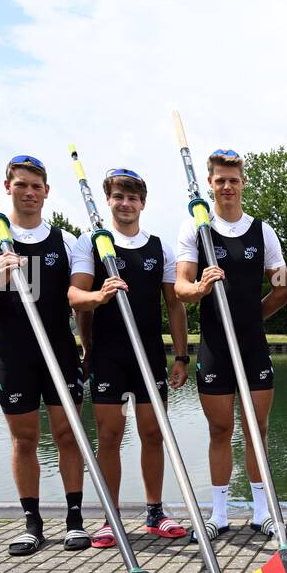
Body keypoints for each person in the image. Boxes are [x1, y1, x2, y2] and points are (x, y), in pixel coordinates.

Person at [0, 154, 89, 556]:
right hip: (14, 356)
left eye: (36, 186)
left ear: (47, 192)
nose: (29, 192)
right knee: (24, 439)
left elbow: (79, 301)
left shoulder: (67, 242)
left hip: (61, 353)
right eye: (21, 185)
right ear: (7, 188)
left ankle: (74, 519)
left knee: (68, 436)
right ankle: (32, 522)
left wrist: (89, 347)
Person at [69, 168, 188, 547]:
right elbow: (75, 299)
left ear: (143, 204)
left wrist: (181, 355)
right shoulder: (91, 243)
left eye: (132, 198)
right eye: (119, 197)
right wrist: (100, 296)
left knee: (154, 434)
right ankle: (111, 517)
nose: (125, 204)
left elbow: (175, 305)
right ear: (108, 201)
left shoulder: (160, 248)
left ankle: (155, 512)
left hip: (149, 355)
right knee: (109, 435)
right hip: (108, 356)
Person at [175, 148, 287, 541]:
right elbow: (181, 287)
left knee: (257, 428)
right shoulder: (195, 230)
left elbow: (281, 287)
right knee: (220, 430)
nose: (227, 186)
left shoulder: (263, 231)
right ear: (210, 183)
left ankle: (263, 512)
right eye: (220, 180)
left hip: (253, 345)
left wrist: (253, 316)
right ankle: (219, 513)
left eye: (233, 180)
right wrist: (201, 287)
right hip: (215, 348)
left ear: (243, 184)